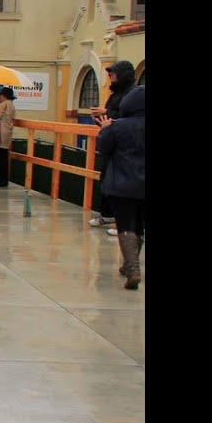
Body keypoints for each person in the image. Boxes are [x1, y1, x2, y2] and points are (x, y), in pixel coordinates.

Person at [96, 86, 144, 289]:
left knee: (124, 224)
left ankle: (133, 268)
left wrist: (105, 129)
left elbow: (104, 149)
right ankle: (128, 265)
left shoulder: (119, 126)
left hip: (122, 183)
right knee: (139, 225)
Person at [88, 60, 137, 234]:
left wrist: (106, 113)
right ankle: (108, 214)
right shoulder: (115, 94)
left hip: (127, 146)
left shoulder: (133, 94)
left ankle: (124, 224)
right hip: (112, 143)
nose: (111, 78)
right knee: (107, 180)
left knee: (126, 185)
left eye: (114, 75)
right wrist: (100, 118)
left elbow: (128, 117)